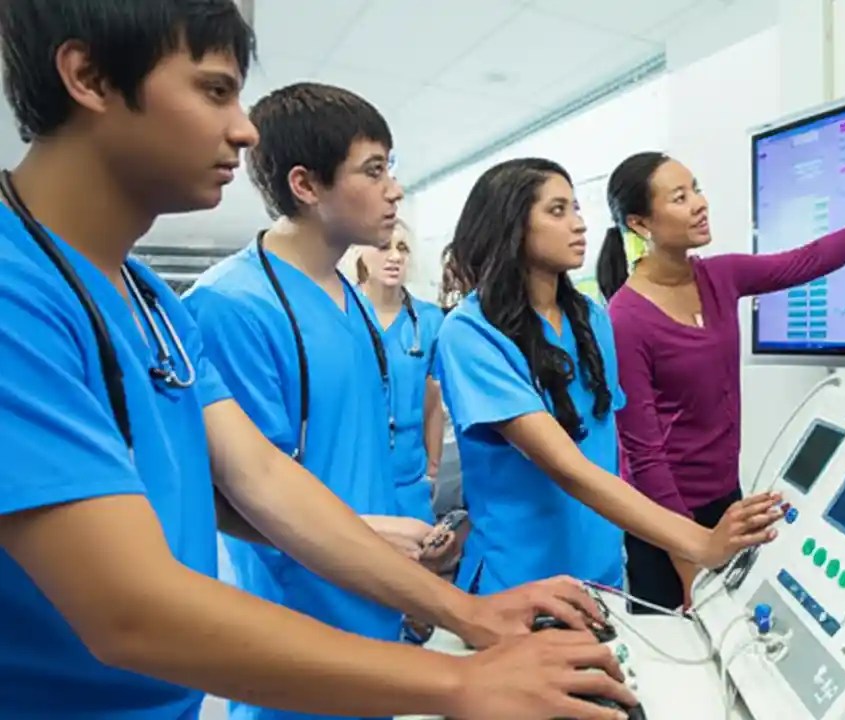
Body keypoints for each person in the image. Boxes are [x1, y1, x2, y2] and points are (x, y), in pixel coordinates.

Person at [0, 2, 632, 719]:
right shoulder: (16, 290)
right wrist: (461, 683)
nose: (242, 128)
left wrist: (467, 614)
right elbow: (127, 611)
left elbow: (263, 479)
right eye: (214, 91)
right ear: (89, 78)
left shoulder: (152, 304)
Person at [183, 82, 468, 719]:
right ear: (306, 185)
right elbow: (236, 492)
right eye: (373, 169)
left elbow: (364, 450)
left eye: (390, 166)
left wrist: (415, 544)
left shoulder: (353, 303)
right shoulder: (231, 307)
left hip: (369, 606)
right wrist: (369, 536)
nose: (394, 188)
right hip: (294, 627)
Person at [595, 151, 845, 612]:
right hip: (664, 525)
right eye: (681, 197)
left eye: (697, 188)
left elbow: (808, 261)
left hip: (726, 503)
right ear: (641, 225)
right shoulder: (625, 318)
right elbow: (644, 454)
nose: (700, 203)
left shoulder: (718, 275)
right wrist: (689, 560)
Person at [434, 157, 783, 597]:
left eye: (577, 208)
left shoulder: (591, 320)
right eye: (557, 211)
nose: (579, 224)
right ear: (512, 225)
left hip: (603, 579)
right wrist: (698, 543)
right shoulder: (471, 333)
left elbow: (621, 448)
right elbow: (568, 467)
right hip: (522, 585)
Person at [352, 221, 446, 525]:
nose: (394, 256)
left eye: (402, 248)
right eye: (384, 247)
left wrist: (432, 469)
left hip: (410, 479)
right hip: (355, 477)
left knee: (418, 564)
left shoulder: (429, 320)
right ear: (359, 254)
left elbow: (433, 400)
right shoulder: (339, 313)